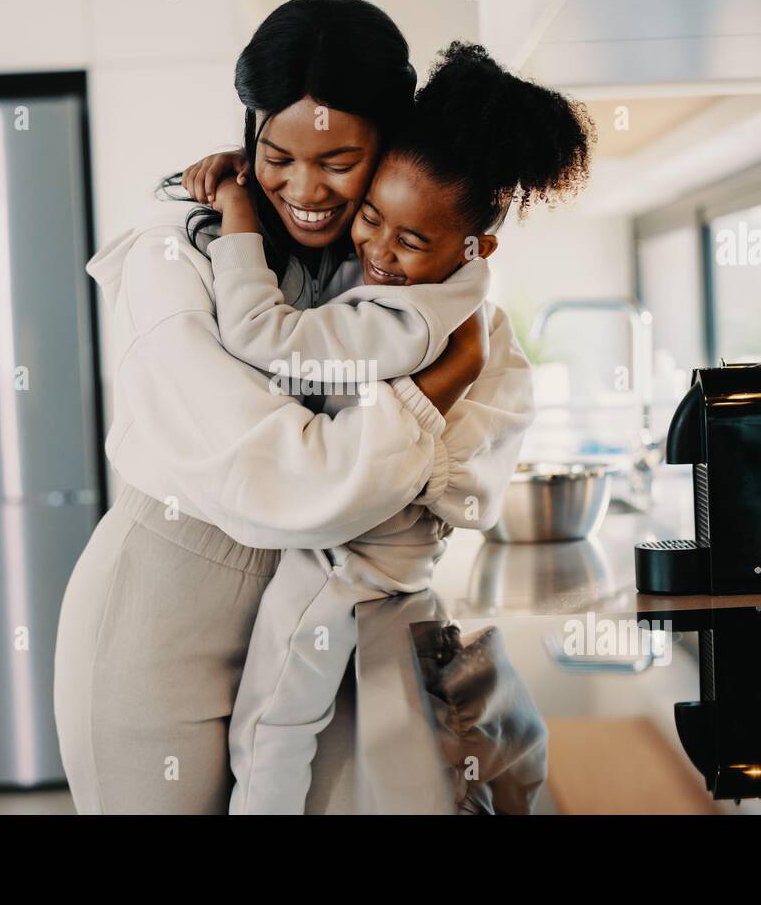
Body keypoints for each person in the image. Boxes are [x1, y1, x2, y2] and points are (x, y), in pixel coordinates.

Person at [54, 0, 494, 814]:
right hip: (160, 619)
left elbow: (479, 420)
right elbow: (286, 485)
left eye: (337, 160)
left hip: (309, 631)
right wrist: (437, 387)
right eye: (277, 154)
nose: (304, 188)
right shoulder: (174, 257)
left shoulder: (386, 261)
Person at [201, 40, 593, 813]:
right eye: (372, 218)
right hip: (388, 555)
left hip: (346, 561)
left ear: (476, 246)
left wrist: (238, 211)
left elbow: (262, 335)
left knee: (272, 722)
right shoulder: (448, 296)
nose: (377, 249)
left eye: (410, 241)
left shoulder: (410, 323)